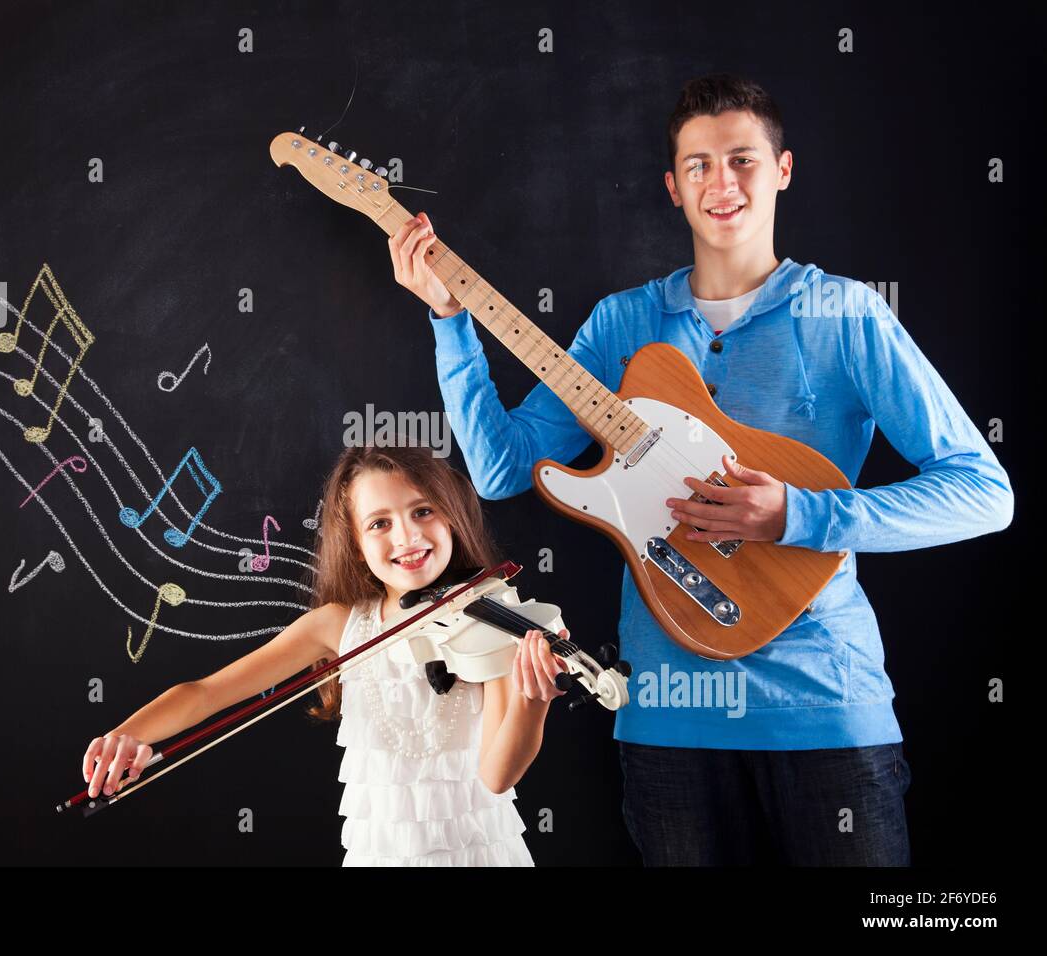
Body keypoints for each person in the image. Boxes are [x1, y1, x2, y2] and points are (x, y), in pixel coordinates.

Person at [387, 73, 1014, 865]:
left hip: (827, 712)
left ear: (783, 170)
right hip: (666, 724)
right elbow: (505, 469)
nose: (722, 184)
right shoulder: (622, 324)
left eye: (743, 160)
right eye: (699, 167)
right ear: (672, 188)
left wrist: (801, 514)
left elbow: (984, 494)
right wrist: (451, 323)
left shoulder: (847, 314)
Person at [82, 445, 571, 865]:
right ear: (357, 546)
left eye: (423, 511)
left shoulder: (491, 618)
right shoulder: (339, 624)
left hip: (477, 853)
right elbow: (207, 692)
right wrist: (129, 735)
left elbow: (497, 774)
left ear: (452, 516)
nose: (407, 537)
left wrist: (534, 701)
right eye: (380, 523)